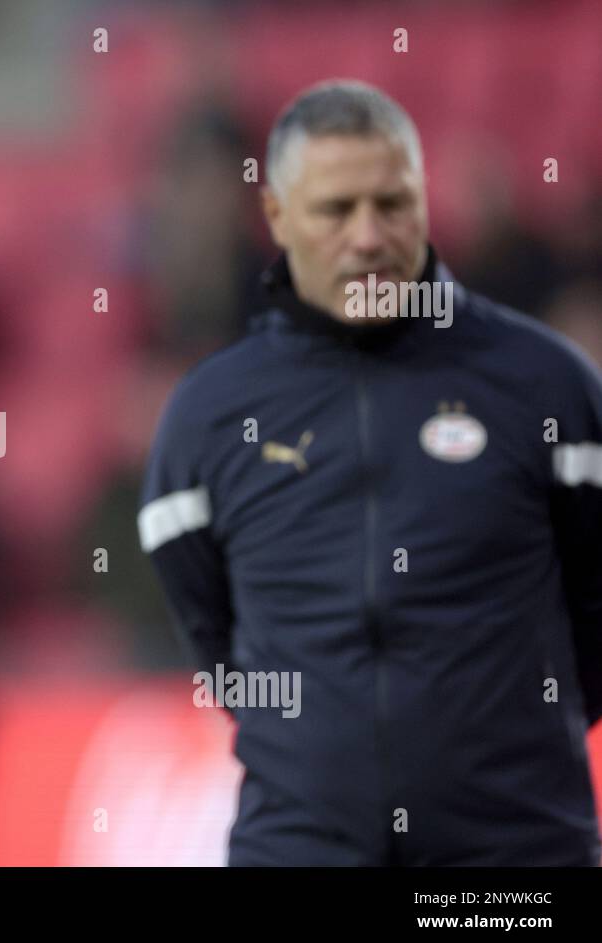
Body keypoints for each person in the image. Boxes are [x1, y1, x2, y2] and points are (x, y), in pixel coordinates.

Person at [139, 79, 602, 866]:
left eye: (393, 204)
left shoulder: (547, 384)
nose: (369, 236)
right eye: (336, 209)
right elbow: (213, 637)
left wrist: (511, 742)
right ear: (279, 217)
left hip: (518, 855)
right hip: (299, 847)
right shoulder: (208, 417)